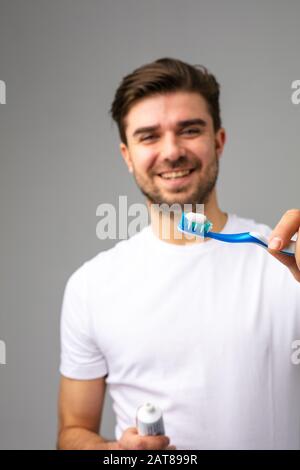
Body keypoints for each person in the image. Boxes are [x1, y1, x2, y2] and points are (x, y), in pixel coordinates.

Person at [56, 57, 300, 450]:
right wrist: (111, 453)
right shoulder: (90, 286)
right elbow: (71, 433)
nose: (171, 152)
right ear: (127, 155)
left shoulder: (287, 264)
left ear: (218, 141)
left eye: (189, 130)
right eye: (149, 136)